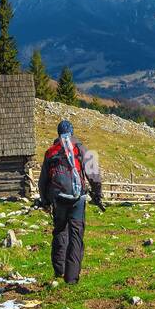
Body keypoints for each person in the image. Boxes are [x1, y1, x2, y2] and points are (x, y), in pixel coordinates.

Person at [37, 119, 104, 285]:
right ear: (72, 132)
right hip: (77, 199)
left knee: (60, 231)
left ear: (58, 134)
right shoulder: (81, 149)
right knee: (76, 236)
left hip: (58, 199)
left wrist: (45, 201)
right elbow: (94, 176)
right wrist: (97, 195)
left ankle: (59, 270)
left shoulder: (50, 152)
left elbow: (43, 180)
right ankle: (71, 278)